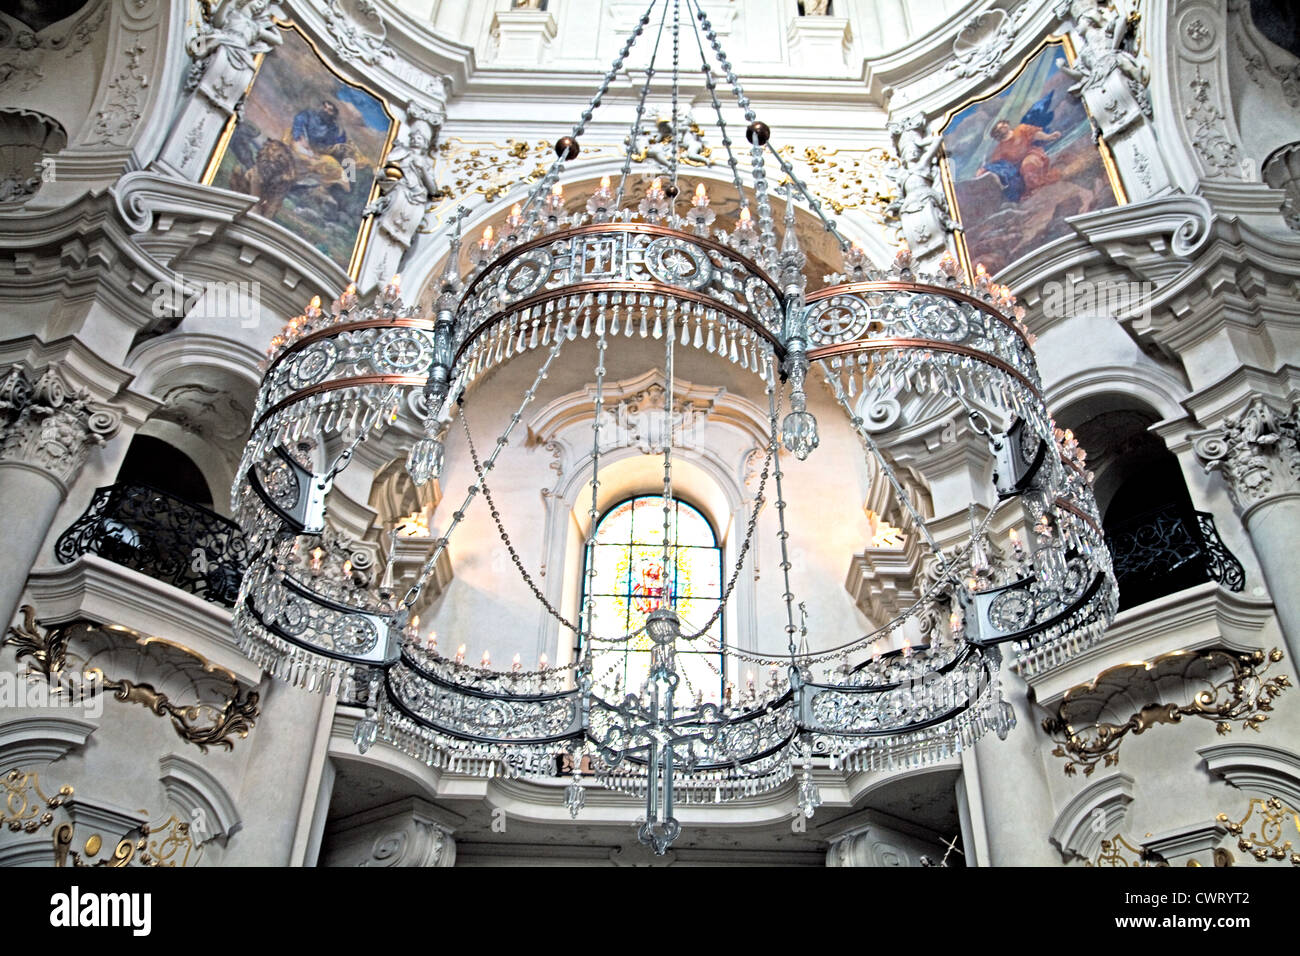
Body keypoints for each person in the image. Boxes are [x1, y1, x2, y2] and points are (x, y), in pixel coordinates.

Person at [978, 93, 1063, 201]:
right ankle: (1034, 190)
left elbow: (1034, 134)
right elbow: (995, 165)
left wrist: (1049, 137)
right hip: (1017, 169)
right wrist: (982, 171)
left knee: (1027, 166)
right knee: (1021, 172)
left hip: (1032, 154)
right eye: (999, 127)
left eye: (1002, 123)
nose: (1002, 125)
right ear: (997, 133)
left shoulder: (1021, 129)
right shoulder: (999, 149)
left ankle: (1041, 186)